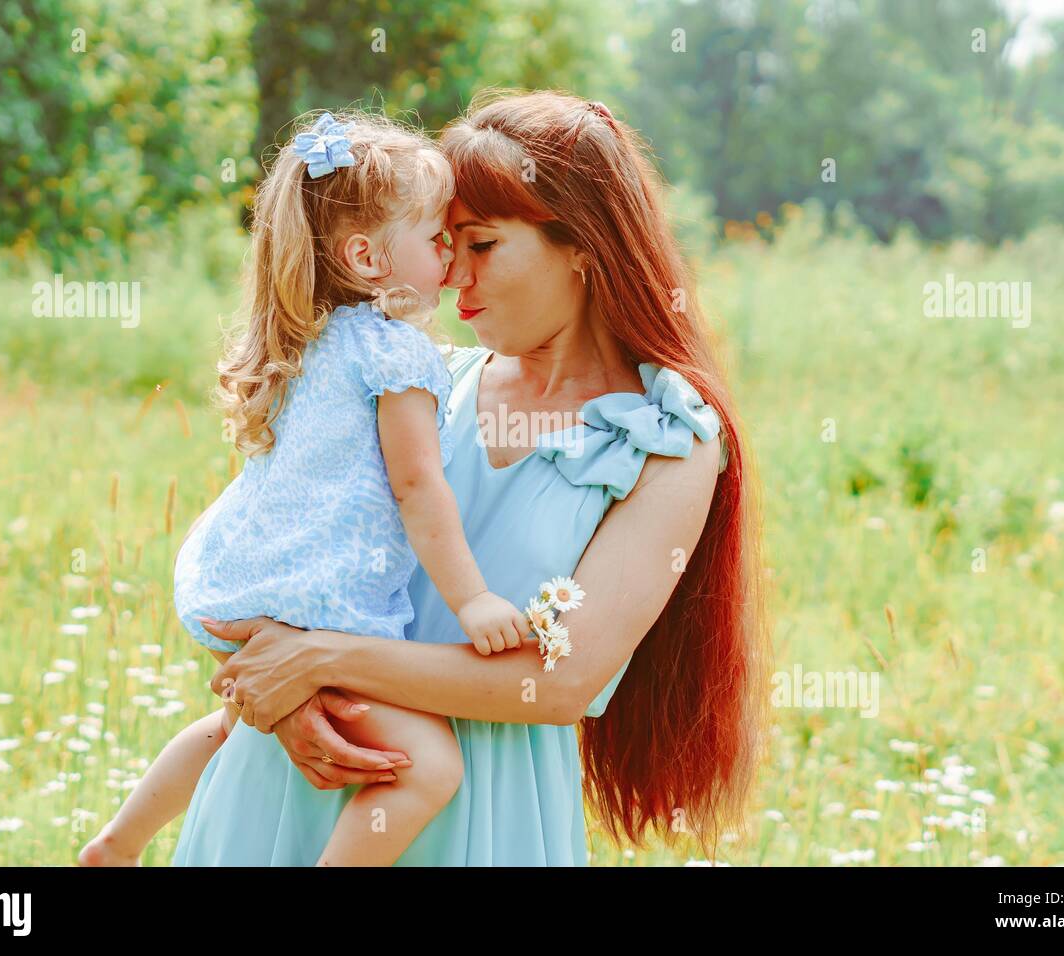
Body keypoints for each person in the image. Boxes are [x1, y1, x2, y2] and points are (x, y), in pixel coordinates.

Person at [174, 90, 771, 866]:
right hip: (303, 777)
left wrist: (318, 660)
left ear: (583, 245)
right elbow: (243, 546)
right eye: (443, 242)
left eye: (482, 244)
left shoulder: (667, 442)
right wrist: (287, 698)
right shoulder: (413, 386)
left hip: (479, 816)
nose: (453, 273)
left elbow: (559, 682)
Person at [80, 109, 532, 867]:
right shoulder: (398, 357)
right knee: (433, 766)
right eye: (434, 239)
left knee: (232, 725)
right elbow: (419, 492)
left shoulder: (307, 341)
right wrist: (475, 602)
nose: (451, 257)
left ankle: (118, 842)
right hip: (325, 603)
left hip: (251, 586)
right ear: (366, 255)